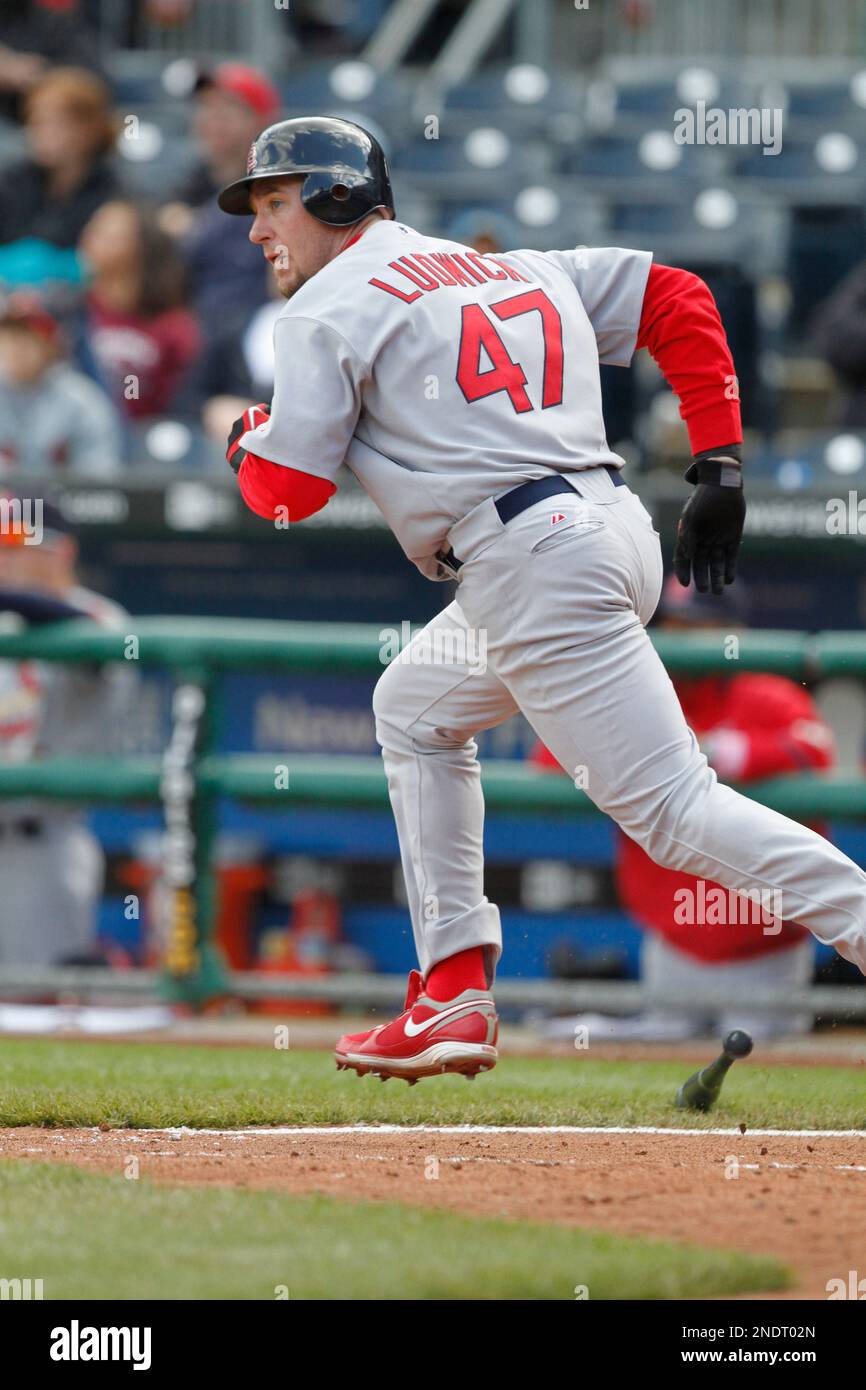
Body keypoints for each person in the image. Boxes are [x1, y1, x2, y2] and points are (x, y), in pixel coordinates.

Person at [219, 116, 866, 1084]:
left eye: (275, 202)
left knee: (675, 812)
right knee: (413, 710)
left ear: (337, 196)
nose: (257, 229)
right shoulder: (513, 266)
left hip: (529, 558)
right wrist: (718, 459)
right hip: (598, 531)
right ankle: (452, 986)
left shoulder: (324, 307)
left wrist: (246, 435)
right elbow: (674, 296)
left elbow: (286, 494)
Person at [532, 577, 837, 1040]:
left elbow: (815, 751)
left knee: (757, 1064)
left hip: (762, 949)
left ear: (733, 632)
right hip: (673, 941)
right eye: (670, 625)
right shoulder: (636, 696)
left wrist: (725, 752)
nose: (677, 638)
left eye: (695, 625)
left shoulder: (766, 694)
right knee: (662, 1050)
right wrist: (636, 754)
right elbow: (548, 761)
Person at [0, 498, 134, 968]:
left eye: (13, 543)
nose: (3, 557)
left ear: (61, 552)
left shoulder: (100, 618)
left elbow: (71, 628)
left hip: (42, 844)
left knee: (30, 1004)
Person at [159, 64, 280, 336]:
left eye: (227, 110)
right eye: (206, 108)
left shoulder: (279, 191)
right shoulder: (188, 185)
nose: (213, 120)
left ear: (261, 120)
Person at [75, 200, 199, 423]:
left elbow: (186, 398)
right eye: (91, 230)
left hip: (149, 440)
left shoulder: (174, 326)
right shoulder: (71, 311)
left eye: (107, 234)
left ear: (142, 246)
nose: (89, 239)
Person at [0, 293, 121, 475]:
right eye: (9, 337)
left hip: (64, 501)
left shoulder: (81, 399)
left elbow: (100, 475)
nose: (16, 348)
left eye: (28, 338)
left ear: (51, 346)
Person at [0, 66, 120, 249]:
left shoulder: (115, 195)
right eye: (35, 121)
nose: (41, 133)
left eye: (57, 123)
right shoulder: (12, 183)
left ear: (89, 129)